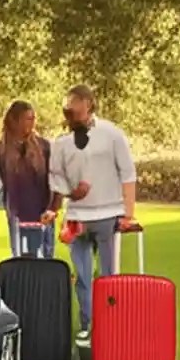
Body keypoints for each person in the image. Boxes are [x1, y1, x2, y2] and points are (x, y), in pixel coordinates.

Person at [40, 84, 139, 337]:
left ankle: (111, 325)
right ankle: (87, 325)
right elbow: (57, 180)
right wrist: (71, 196)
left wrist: (128, 214)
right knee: (82, 276)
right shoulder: (61, 143)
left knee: (108, 276)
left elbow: (128, 173)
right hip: (76, 218)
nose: (69, 112)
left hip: (108, 215)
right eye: (67, 108)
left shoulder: (112, 134)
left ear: (88, 105)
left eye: (74, 106)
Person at [0, 100, 55, 257]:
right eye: (28, 118)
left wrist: (52, 206)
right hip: (18, 209)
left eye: (33, 118)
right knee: (22, 255)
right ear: (15, 121)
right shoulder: (3, 149)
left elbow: (52, 178)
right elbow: (3, 179)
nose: (32, 122)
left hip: (41, 208)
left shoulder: (43, 147)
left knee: (45, 254)